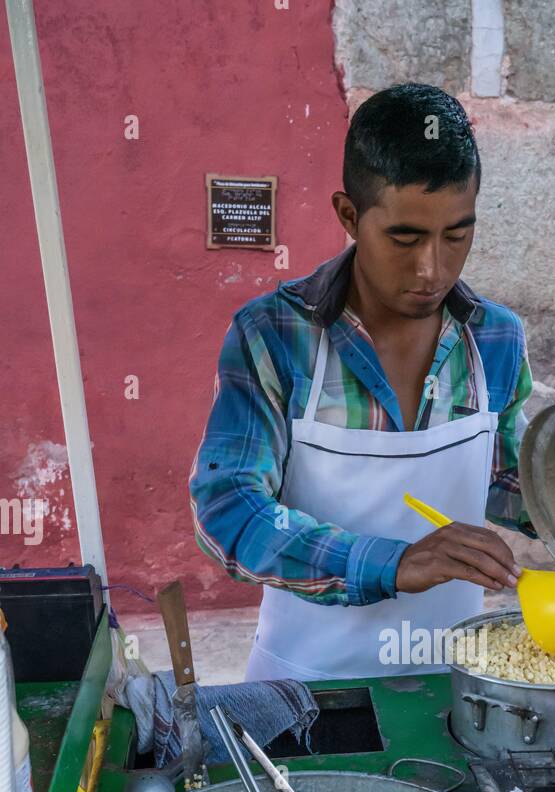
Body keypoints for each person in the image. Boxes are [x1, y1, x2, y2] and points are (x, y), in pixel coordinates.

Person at [190, 83, 535, 680]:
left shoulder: (494, 339)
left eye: (456, 235)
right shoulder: (274, 335)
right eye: (405, 237)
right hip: (304, 691)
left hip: (451, 686)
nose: (432, 269)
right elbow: (229, 509)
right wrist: (389, 563)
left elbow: (505, 481)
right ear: (349, 215)